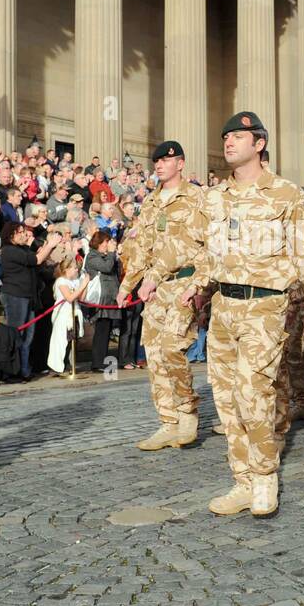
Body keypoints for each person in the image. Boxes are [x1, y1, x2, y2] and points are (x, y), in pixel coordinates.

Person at [193, 111, 304, 518]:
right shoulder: (214, 197)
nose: (229, 142)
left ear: (259, 144)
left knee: (253, 394)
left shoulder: (287, 195)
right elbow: (208, 253)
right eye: (226, 136)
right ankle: (242, 480)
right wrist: (196, 286)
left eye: (239, 136)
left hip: (265, 308)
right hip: (223, 308)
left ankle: (264, 476)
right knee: (226, 398)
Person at [117, 139, 207, 450]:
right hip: (154, 290)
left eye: (166, 160)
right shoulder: (152, 203)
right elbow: (141, 248)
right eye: (156, 160)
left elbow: (205, 243)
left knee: (172, 348)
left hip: (184, 284)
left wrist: (200, 287)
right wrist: (127, 284)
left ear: (180, 164)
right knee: (154, 356)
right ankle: (167, 422)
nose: (159, 165)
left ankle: (187, 410)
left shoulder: (197, 197)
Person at [0, 221, 54, 382]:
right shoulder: (8, 251)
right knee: (17, 333)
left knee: (28, 337)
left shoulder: (22, 249)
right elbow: (37, 260)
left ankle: (24, 369)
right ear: (11, 235)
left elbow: (39, 257)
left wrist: (45, 247)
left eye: (24, 231)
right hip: (15, 295)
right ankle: (12, 370)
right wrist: (50, 245)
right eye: (20, 232)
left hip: (28, 296)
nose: (24, 234)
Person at [83, 230, 122, 373]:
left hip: (110, 298)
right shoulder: (92, 256)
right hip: (101, 300)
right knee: (101, 331)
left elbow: (115, 270)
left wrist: (116, 256)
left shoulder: (107, 256)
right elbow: (106, 267)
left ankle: (103, 361)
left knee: (106, 331)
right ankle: (97, 362)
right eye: (106, 242)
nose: (108, 245)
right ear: (99, 243)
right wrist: (111, 254)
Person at [48, 256, 87, 374]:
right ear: (67, 269)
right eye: (74, 268)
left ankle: (69, 365)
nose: (77, 270)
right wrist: (82, 285)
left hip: (74, 313)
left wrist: (84, 285)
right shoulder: (60, 281)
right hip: (63, 315)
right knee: (61, 341)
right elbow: (69, 298)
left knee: (72, 340)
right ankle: (57, 366)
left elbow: (81, 298)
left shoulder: (74, 282)